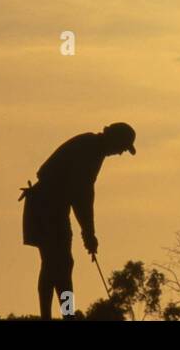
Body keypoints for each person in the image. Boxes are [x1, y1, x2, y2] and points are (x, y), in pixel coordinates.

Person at [19, 122, 136, 319]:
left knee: (52, 265)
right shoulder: (90, 150)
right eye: (123, 148)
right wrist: (88, 233)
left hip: (48, 206)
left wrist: (88, 232)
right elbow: (81, 196)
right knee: (62, 264)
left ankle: (54, 316)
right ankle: (67, 315)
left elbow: (81, 195)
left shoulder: (92, 147)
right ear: (115, 140)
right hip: (47, 206)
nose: (121, 153)